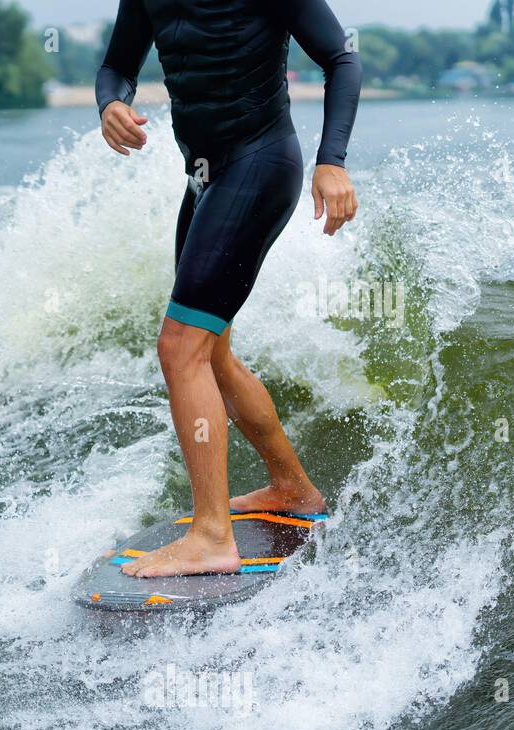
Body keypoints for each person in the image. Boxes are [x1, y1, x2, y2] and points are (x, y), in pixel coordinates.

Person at [96, 0, 361, 578]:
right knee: (208, 351)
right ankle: (293, 489)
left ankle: (212, 536)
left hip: (261, 164)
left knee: (179, 347)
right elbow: (117, 65)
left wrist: (332, 161)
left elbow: (342, 59)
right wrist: (111, 103)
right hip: (205, 179)